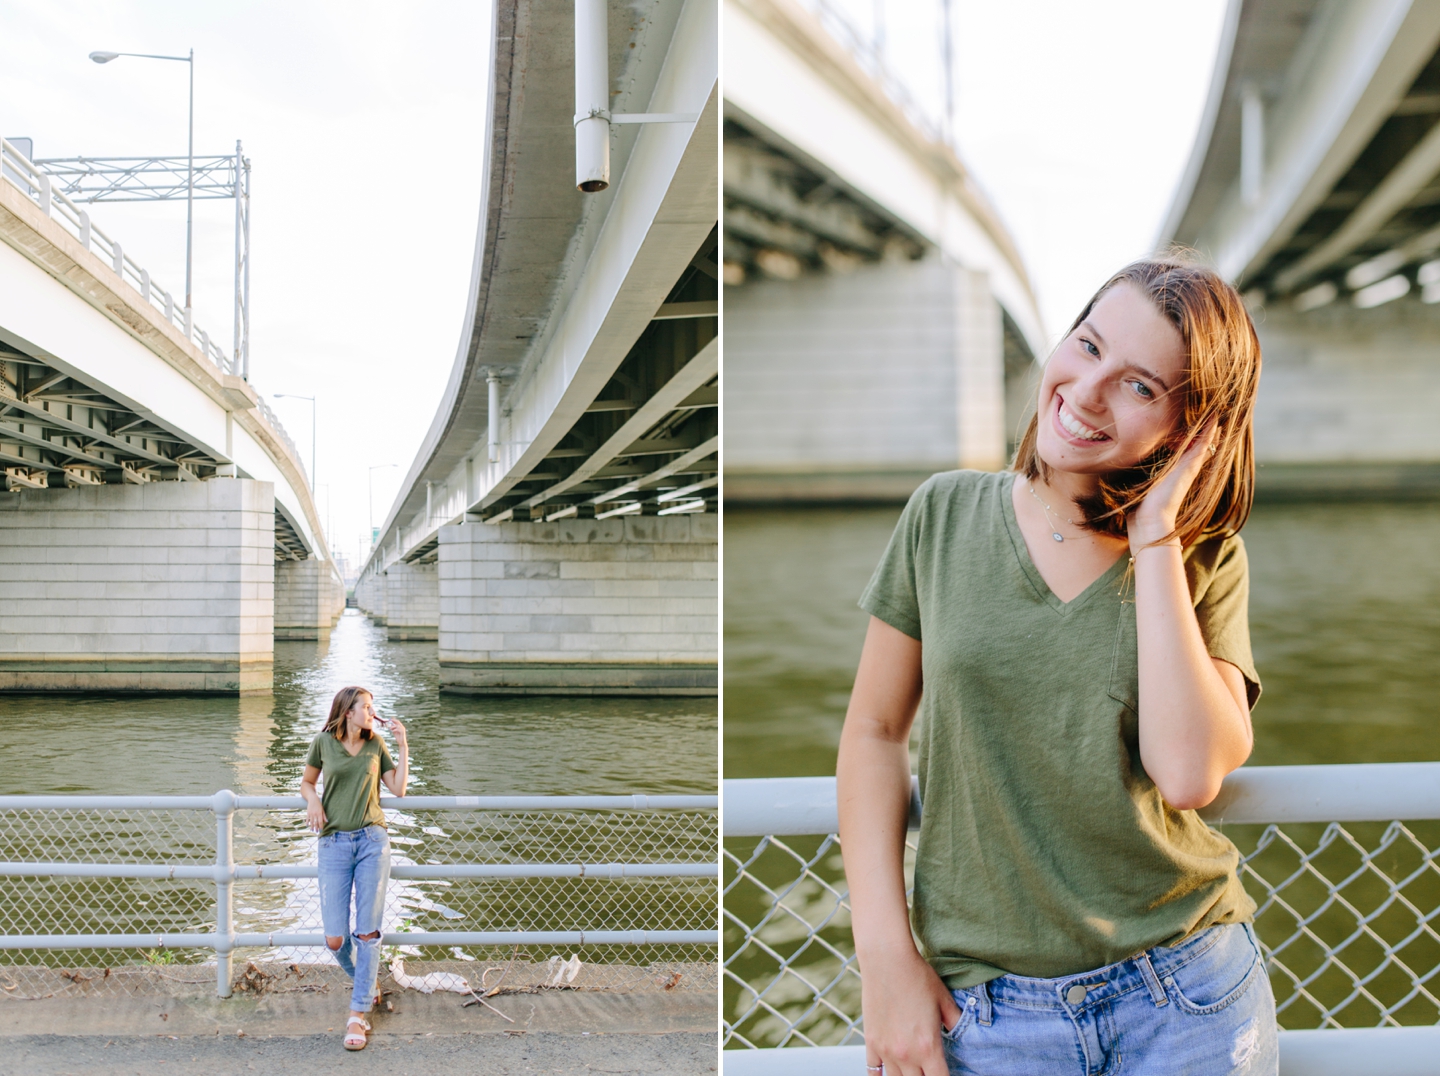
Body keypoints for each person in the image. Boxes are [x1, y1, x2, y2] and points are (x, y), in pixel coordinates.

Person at [837, 257, 1278, 1075]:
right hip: (987, 1012)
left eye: (1141, 386)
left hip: (1184, 996)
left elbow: (1185, 774)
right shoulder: (942, 515)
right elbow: (872, 731)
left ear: (1192, 428)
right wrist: (886, 958)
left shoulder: (1202, 557)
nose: (1085, 391)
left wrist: (1156, 541)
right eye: (1086, 346)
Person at [301, 685, 409, 1052]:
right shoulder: (323, 742)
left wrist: (403, 744)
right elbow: (306, 782)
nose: (371, 712)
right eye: (366, 706)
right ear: (348, 711)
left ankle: (358, 1012)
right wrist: (313, 801)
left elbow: (398, 789)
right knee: (335, 937)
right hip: (332, 844)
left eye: (372, 707)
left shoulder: (377, 743)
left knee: (367, 934)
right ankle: (367, 984)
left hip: (372, 842)